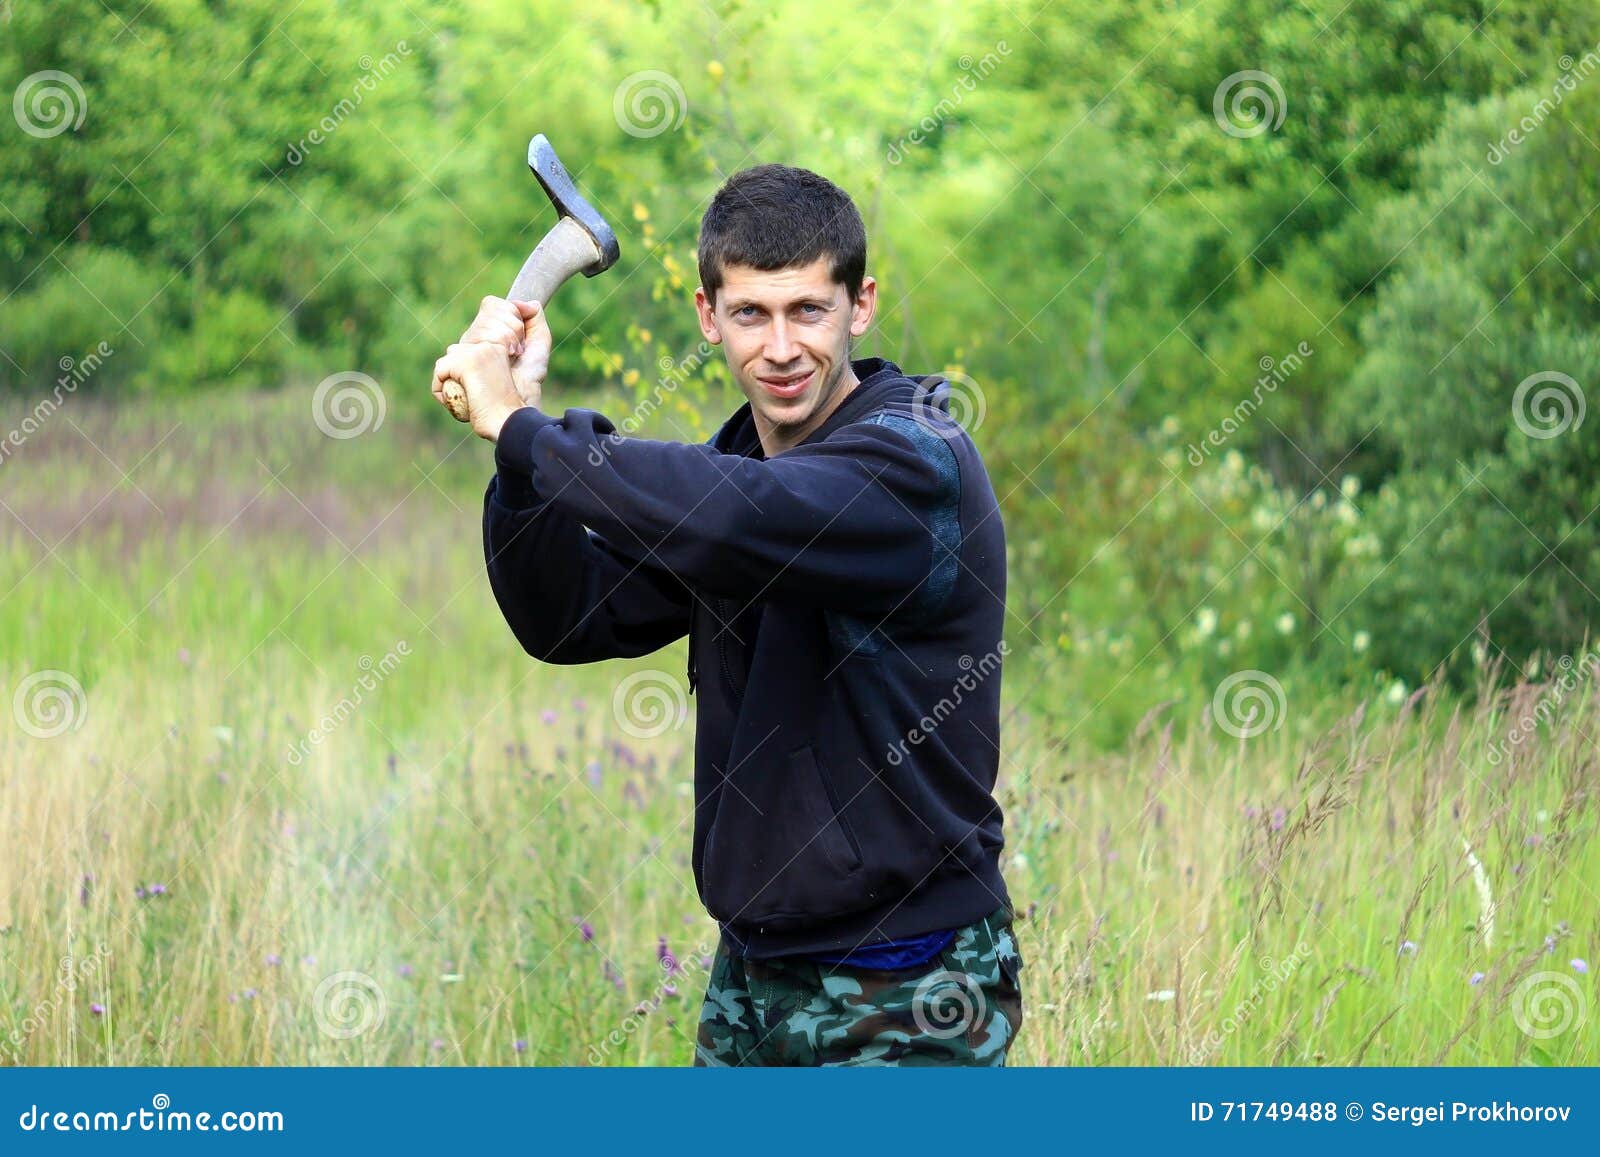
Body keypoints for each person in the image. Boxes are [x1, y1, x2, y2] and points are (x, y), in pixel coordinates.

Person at [430, 162, 1023, 1066]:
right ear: (708, 317)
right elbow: (571, 618)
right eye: (750, 314)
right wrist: (522, 456)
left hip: (905, 981)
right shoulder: (742, 462)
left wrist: (522, 429)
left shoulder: (913, 467)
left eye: (807, 311)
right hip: (753, 971)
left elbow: (734, 515)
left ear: (860, 306)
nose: (780, 348)